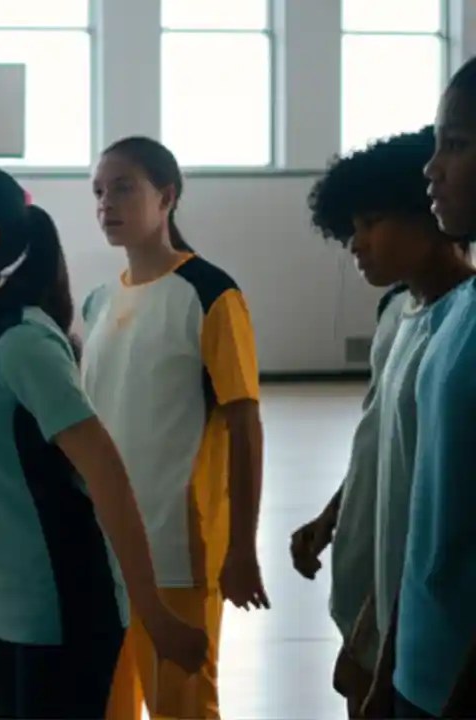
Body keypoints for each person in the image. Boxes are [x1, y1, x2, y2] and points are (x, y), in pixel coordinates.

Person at [0, 160, 208, 719]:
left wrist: (154, 613)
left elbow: (105, 472)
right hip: (5, 615)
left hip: (65, 613)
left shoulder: (22, 342)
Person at [82, 136, 267, 720]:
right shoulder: (98, 303)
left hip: (178, 549)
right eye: (99, 192)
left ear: (166, 197)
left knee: (181, 708)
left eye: (123, 188)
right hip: (105, 548)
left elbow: (245, 422)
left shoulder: (210, 293)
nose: (106, 203)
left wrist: (241, 547)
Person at [292, 127, 435, 715]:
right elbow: (382, 438)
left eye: (373, 222)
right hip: (364, 579)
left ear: (428, 212)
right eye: (351, 228)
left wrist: (376, 634)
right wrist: (334, 514)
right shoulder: (395, 309)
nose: (357, 244)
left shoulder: (457, 327)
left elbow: (429, 495)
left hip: (404, 613)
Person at [370, 56, 476, 719]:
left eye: (456, 145)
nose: (432, 168)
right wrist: (390, 662)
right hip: (419, 670)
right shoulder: (456, 311)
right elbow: (426, 518)